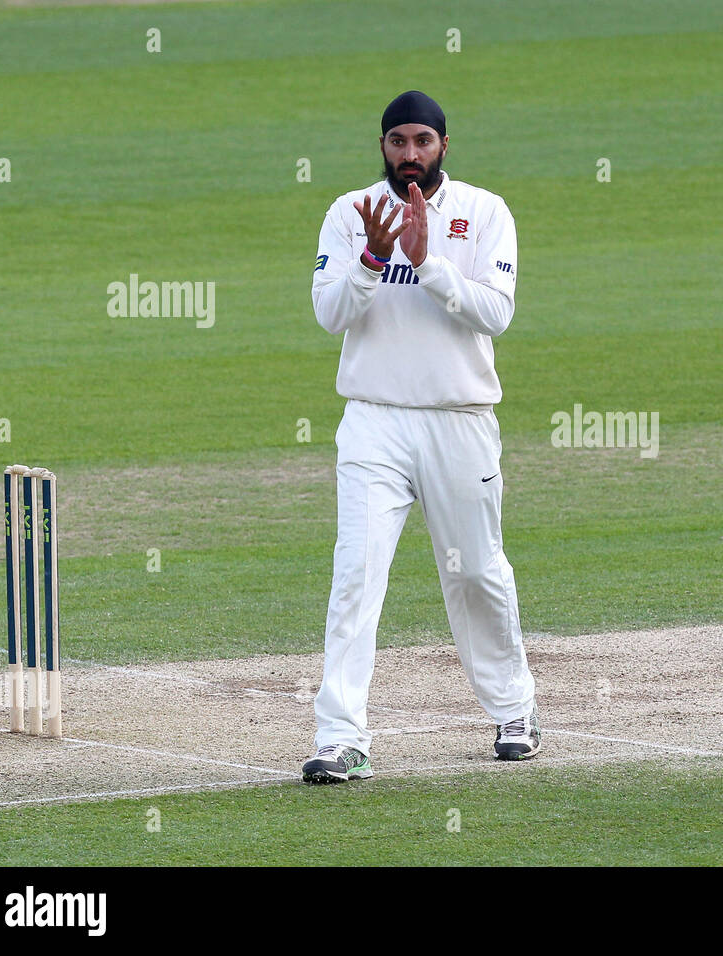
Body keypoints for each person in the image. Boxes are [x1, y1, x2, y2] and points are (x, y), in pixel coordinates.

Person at [301, 90, 539, 784]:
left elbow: (495, 313)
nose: (411, 156)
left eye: (423, 142)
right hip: (373, 420)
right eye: (399, 141)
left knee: (477, 573)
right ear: (383, 145)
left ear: (442, 146)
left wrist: (427, 261)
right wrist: (373, 263)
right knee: (355, 576)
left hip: (458, 421)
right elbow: (327, 312)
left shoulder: (482, 211)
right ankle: (341, 738)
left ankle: (514, 708)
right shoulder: (350, 214)